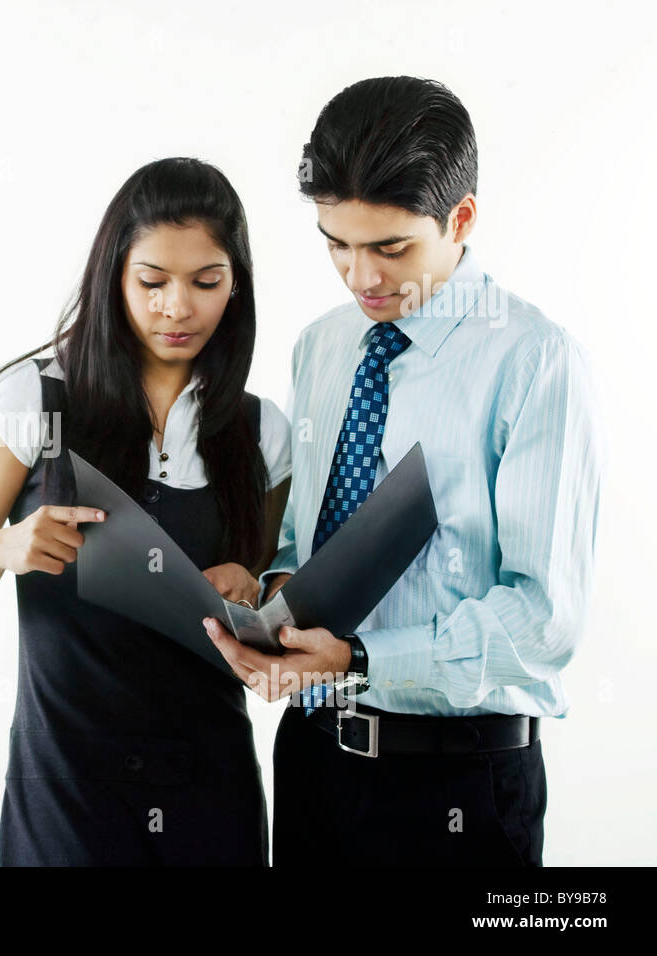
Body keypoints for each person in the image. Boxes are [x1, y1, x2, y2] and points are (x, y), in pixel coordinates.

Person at [204, 76, 603, 866]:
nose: (361, 278)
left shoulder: (534, 360)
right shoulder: (322, 346)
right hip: (315, 760)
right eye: (336, 243)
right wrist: (270, 596)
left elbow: (545, 621)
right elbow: (305, 535)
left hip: (460, 783)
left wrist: (360, 659)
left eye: (390, 248)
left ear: (462, 220)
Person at [0, 157, 292, 865]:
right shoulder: (32, 400)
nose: (176, 308)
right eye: (152, 282)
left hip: (210, 791)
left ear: (236, 285)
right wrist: (2, 550)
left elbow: (276, 597)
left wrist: (255, 592)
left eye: (206, 283)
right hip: (66, 793)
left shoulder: (263, 432)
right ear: (113, 276)